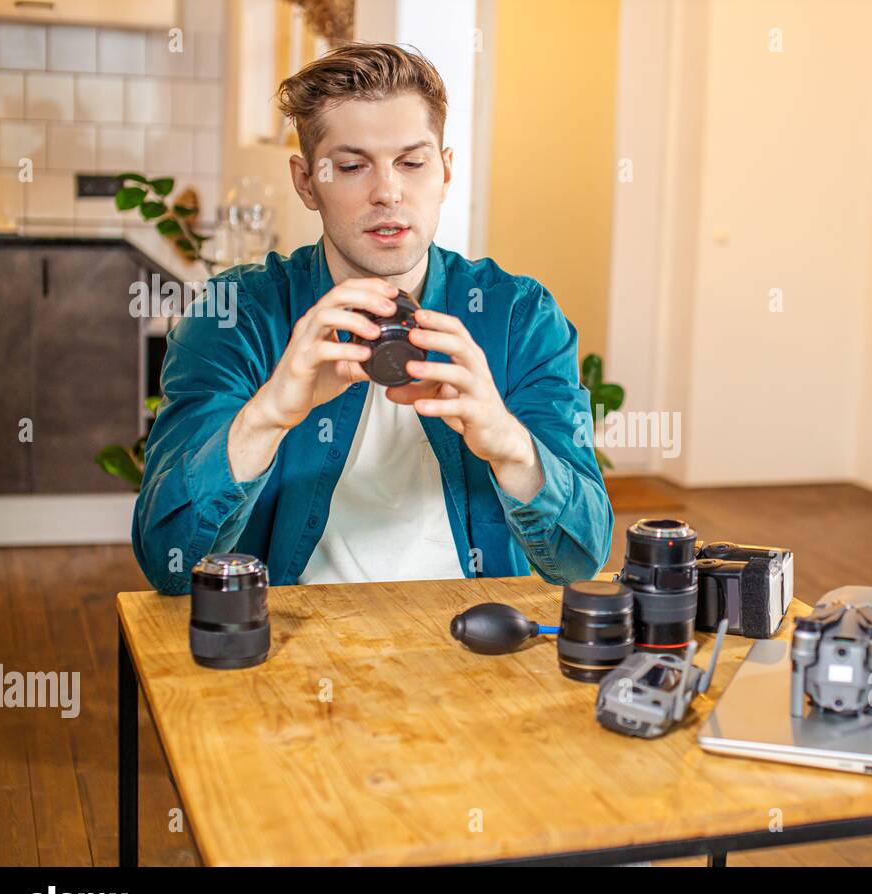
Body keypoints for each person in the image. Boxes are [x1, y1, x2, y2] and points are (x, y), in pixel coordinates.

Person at [132, 42, 612, 594]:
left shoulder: (519, 317)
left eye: (412, 163)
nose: (388, 191)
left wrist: (507, 442)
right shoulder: (233, 317)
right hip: (293, 647)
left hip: (474, 648)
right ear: (307, 181)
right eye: (353, 166)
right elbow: (168, 562)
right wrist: (266, 417)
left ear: (446, 171)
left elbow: (580, 562)